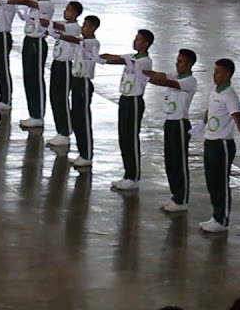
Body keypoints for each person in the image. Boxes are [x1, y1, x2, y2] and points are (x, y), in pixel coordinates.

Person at [199, 58, 240, 233]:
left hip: (222, 144)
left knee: (221, 182)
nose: (214, 75)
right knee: (211, 181)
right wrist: (202, 124)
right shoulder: (215, 91)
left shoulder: (230, 96)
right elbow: (209, 110)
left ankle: (222, 219)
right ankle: (216, 215)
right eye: (214, 71)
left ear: (227, 74)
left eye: (218, 72)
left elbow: (237, 118)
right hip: (210, 141)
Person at [100, 29, 155, 190]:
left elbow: (120, 60)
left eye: (139, 40)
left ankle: (134, 176)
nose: (135, 41)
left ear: (146, 44)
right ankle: (127, 174)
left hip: (134, 101)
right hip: (125, 99)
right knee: (123, 136)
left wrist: (113, 60)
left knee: (131, 137)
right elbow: (114, 57)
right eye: (135, 38)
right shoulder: (133, 56)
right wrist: (100, 57)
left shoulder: (144, 61)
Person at [146, 48, 198, 212]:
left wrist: (152, 77)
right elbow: (158, 76)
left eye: (180, 61)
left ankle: (182, 199)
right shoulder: (175, 74)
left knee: (179, 162)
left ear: (189, 64)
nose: (177, 64)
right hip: (169, 122)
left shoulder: (190, 81)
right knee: (170, 161)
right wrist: (143, 72)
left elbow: (167, 82)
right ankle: (175, 195)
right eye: (177, 61)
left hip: (180, 124)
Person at [6, 0, 55, 130]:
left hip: (37, 43)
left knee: (36, 78)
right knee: (28, 77)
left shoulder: (46, 4)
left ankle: (38, 115)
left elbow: (26, 1)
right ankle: (32, 112)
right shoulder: (36, 3)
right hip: (28, 41)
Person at [57, 14, 101, 169]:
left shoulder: (92, 43)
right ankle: (82, 152)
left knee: (83, 118)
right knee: (76, 117)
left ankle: (87, 154)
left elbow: (76, 41)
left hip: (84, 82)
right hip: (76, 80)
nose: (83, 28)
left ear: (93, 28)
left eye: (86, 26)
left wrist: (60, 34)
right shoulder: (82, 42)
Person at [43, 0, 83, 147]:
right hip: (56, 64)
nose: (65, 12)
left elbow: (56, 26)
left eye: (68, 10)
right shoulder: (64, 24)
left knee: (62, 97)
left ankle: (65, 131)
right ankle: (59, 130)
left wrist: (45, 22)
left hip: (66, 65)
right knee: (54, 95)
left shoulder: (74, 28)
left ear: (75, 13)